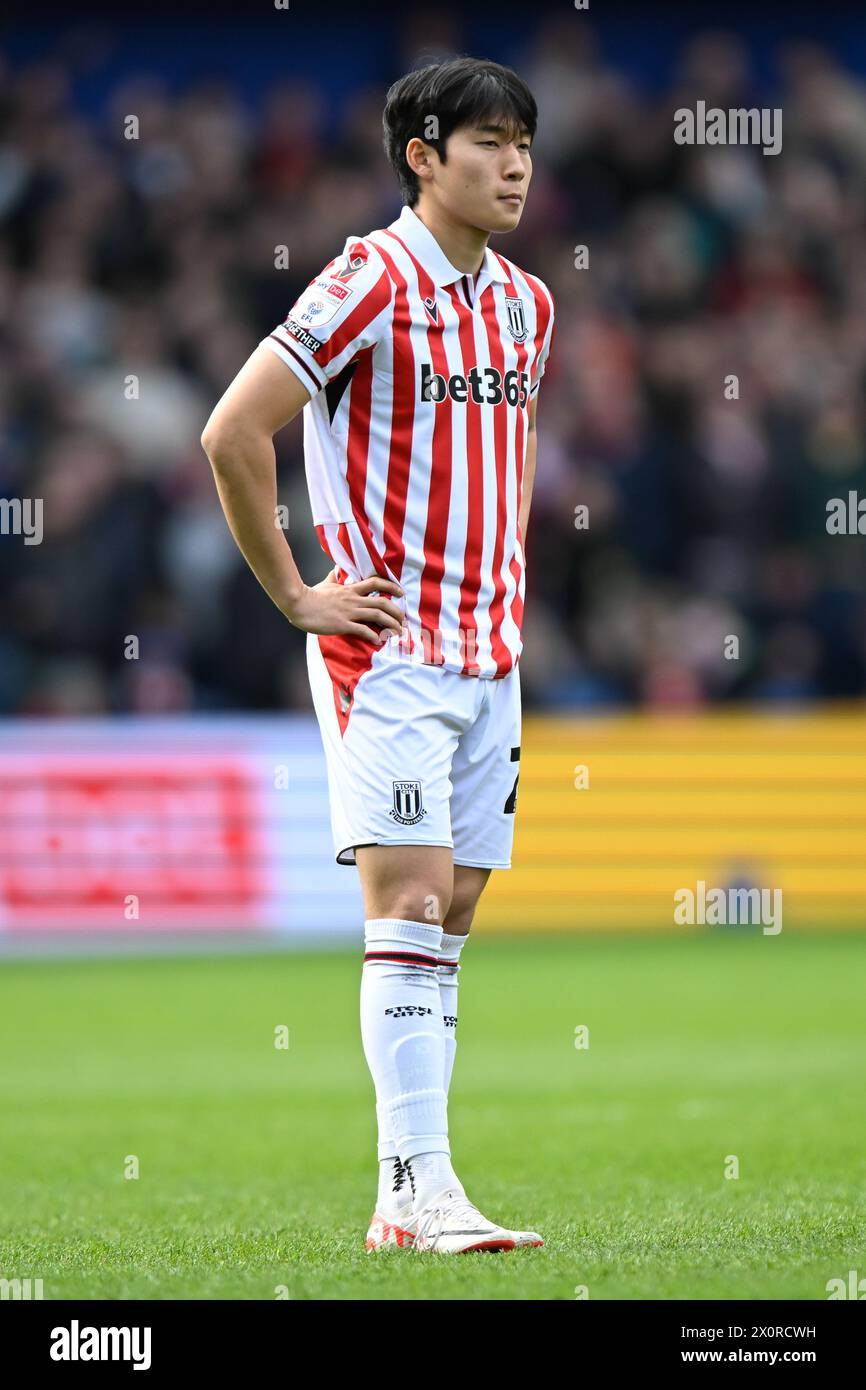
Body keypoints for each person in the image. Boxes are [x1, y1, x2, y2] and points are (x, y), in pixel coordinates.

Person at [202, 55, 555, 1254]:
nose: (513, 165)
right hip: (386, 650)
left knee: (447, 916)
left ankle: (407, 1205)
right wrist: (299, 593)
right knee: (403, 901)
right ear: (423, 154)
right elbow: (232, 430)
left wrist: (506, 605)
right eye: (489, 142)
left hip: (488, 654)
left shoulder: (524, 305)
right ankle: (418, 1186)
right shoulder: (365, 279)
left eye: (524, 144)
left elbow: (495, 472)